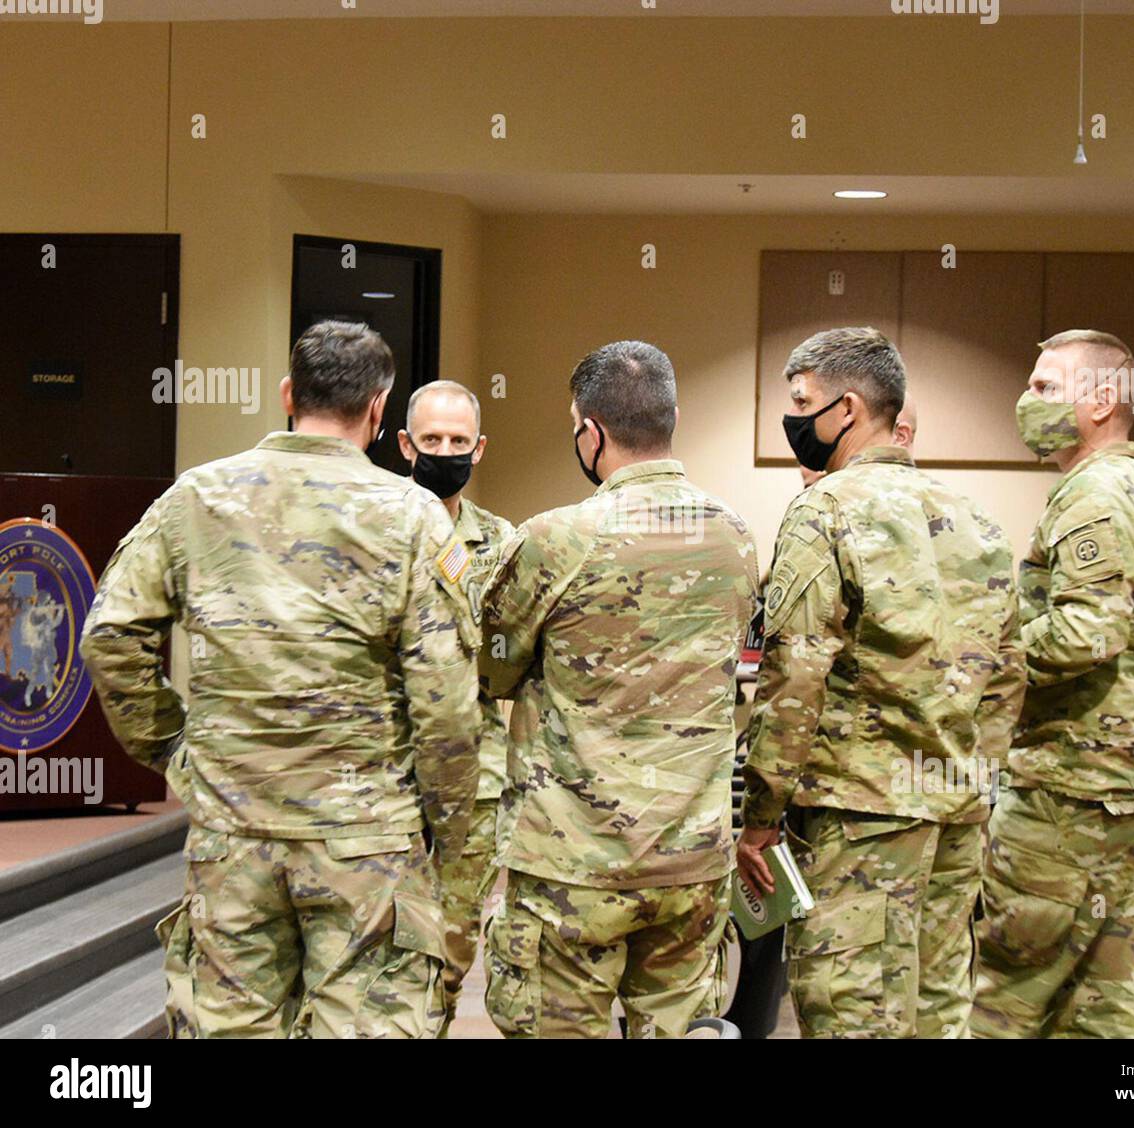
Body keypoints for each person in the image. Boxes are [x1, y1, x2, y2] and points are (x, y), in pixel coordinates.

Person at [80, 320, 480, 1039]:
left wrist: (175, 751)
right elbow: (445, 703)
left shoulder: (196, 498)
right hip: (366, 843)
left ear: (289, 394)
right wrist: (450, 846)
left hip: (234, 831)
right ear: (381, 409)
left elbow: (111, 635)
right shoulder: (412, 515)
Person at [737, 326, 1024, 1039]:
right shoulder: (978, 521)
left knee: (851, 1014)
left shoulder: (824, 510)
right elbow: (1007, 675)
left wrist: (762, 814)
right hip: (955, 813)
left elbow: (794, 676)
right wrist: (969, 778)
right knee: (936, 1013)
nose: (793, 419)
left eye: (802, 401)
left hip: (857, 820)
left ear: (847, 410)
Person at [479, 340, 758, 1038]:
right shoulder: (733, 536)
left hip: (575, 862)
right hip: (690, 862)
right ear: (672, 418)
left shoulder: (555, 538)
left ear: (590, 431)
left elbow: (491, 669)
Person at [973, 329, 1134, 1039]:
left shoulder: (1094, 495)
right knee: (1100, 996)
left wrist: (982, 663)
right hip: (1122, 786)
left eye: (1044, 387)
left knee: (1003, 995)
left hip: (1069, 788)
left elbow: (1085, 634)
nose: (1026, 401)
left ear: (1102, 402)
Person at [397, 379, 514, 1032]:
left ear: (480, 449)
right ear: (406, 444)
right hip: (382, 780)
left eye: (458, 441)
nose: (445, 451)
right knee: (371, 955)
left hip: (476, 784)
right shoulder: (372, 530)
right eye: (432, 440)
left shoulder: (500, 542)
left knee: (447, 950)